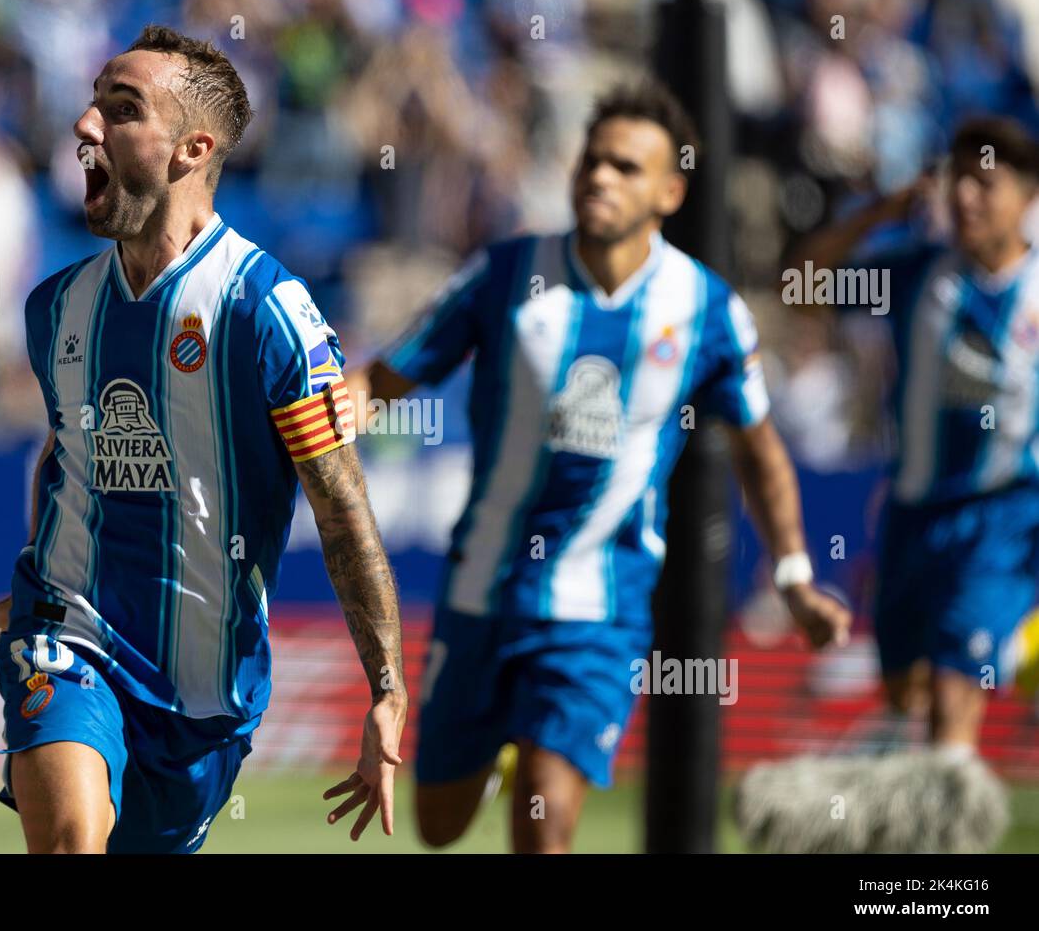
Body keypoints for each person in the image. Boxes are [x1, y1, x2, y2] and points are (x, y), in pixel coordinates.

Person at [345, 79, 851, 854]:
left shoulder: (706, 310)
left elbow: (761, 449)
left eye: (624, 166)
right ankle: (489, 759)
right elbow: (383, 380)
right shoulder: (506, 274)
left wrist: (792, 575)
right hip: (481, 588)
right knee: (437, 828)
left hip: (598, 608)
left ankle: (533, 751)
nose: (600, 178)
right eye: (592, 161)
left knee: (544, 832)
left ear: (670, 191)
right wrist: (328, 427)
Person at [0, 25, 406, 853]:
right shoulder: (56, 307)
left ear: (191, 149)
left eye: (120, 110)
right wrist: (38, 574)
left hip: (203, 694)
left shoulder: (265, 311)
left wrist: (386, 686)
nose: (86, 126)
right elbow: (64, 452)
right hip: (69, 634)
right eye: (92, 104)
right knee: (68, 842)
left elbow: (340, 503)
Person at [791, 116, 1039, 759]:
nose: (965, 197)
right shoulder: (916, 274)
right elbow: (801, 285)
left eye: (985, 183)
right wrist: (877, 214)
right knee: (905, 690)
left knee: (957, 691)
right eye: (957, 180)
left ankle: (944, 854)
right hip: (912, 513)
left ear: (1026, 198)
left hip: (1004, 514)